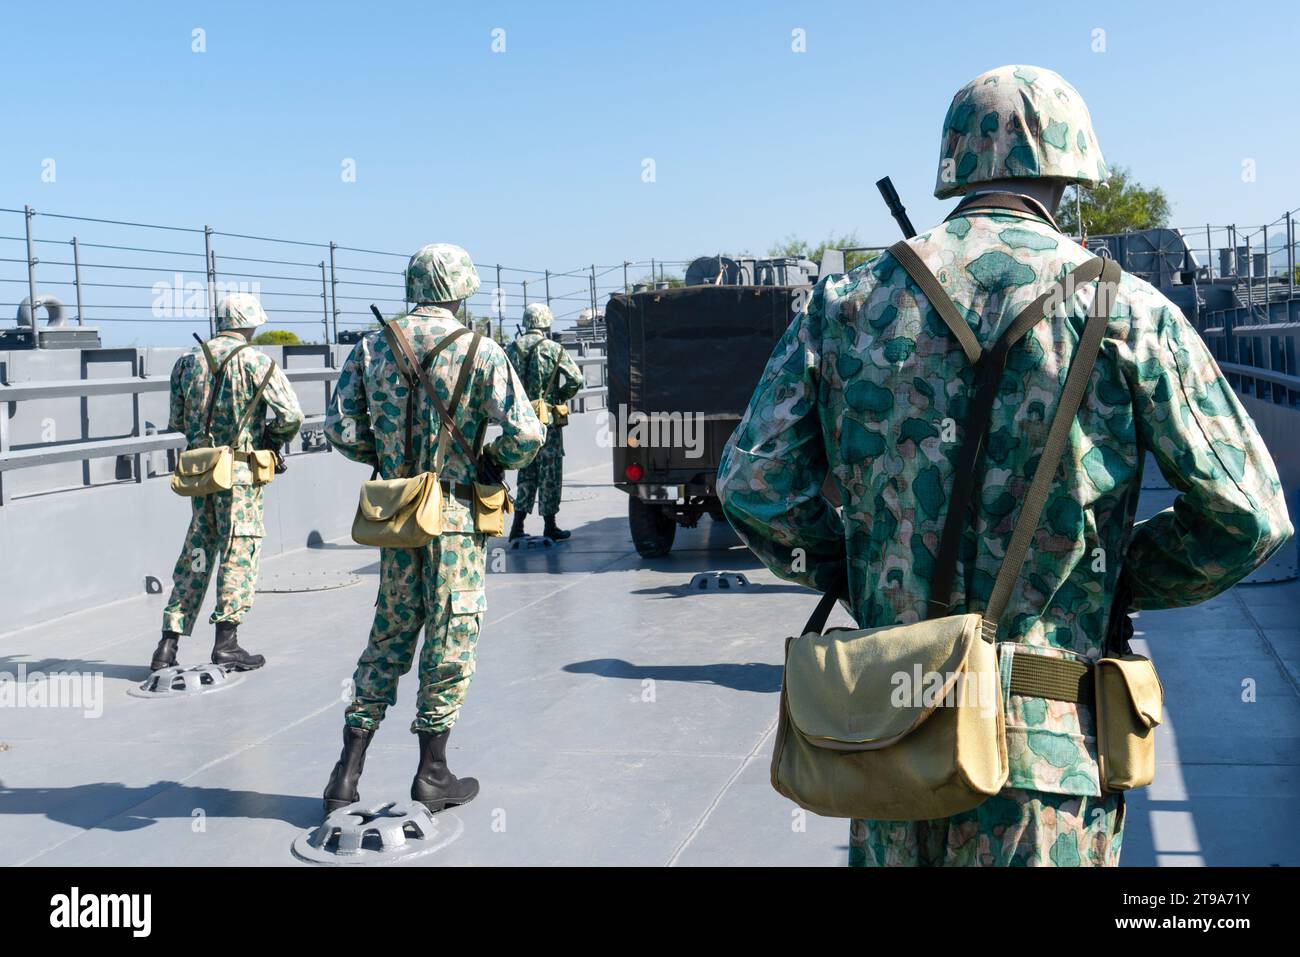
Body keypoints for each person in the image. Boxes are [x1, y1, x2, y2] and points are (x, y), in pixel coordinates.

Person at [717, 64, 1292, 866]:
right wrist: (1118, 576)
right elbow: (1249, 515)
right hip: (1048, 764)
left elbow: (752, 484)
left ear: (954, 165)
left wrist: (857, 569)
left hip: (891, 738)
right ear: (1071, 168)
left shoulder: (846, 303)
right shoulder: (1128, 312)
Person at [321, 243, 544, 816]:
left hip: (396, 515)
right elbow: (526, 434)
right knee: (450, 634)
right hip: (454, 516)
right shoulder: (481, 350)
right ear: (462, 287)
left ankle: (345, 774)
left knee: (390, 633)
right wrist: (491, 459)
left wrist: (391, 461)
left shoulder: (372, 345)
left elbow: (340, 429)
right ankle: (432, 773)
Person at [150, 293, 304, 673]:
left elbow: (178, 420)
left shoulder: (187, 362)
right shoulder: (258, 362)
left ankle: (167, 645)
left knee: (197, 553)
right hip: (239, 471)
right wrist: (268, 439)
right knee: (239, 550)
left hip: (200, 470)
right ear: (251, 324)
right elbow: (292, 415)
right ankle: (226, 643)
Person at [505, 302, 583, 541]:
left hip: (521, 419)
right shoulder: (553, 349)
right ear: (546, 321)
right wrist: (559, 396)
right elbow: (576, 379)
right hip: (547, 419)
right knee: (549, 472)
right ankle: (550, 525)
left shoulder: (512, 349)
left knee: (526, 471)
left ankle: (517, 526)